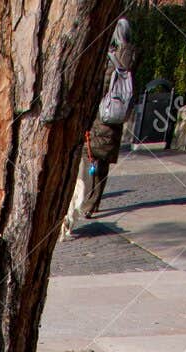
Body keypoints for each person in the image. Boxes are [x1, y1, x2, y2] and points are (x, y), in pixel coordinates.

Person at [62, 17, 136, 237]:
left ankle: (84, 205)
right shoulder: (130, 60)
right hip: (115, 120)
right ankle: (93, 203)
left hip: (99, 118)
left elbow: (95, 90)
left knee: (89, 161)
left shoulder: (109, 61)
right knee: (101, 164)